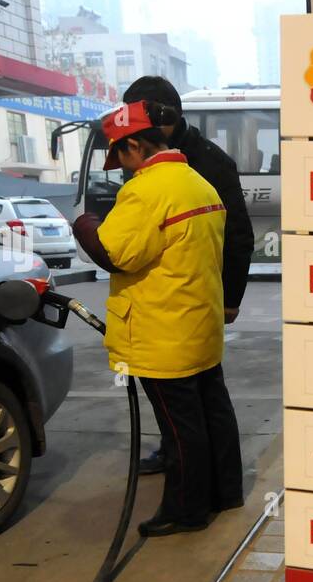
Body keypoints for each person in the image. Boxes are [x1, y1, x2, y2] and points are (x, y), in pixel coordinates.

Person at [72, 100, 233, 536]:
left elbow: (117, 255)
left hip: (163, 333)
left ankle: (185, 511)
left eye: (121, 157)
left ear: (135, 147)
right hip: (199, 325)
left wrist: (85, 224)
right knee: (208, 414)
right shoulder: (197, 182)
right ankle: (224, 493)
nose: (123, 169)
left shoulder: (145, 190)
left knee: (179, 429)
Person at [121, 77, 252, 503]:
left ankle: (206, 490)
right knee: (195, 400)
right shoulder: (164, 162)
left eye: (137, 121)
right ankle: (205, 478)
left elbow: (238, 236)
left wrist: (231, 299)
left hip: (189, 302)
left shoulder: (206, 163)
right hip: (181, 300)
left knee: (198, 400)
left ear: (162, 117)